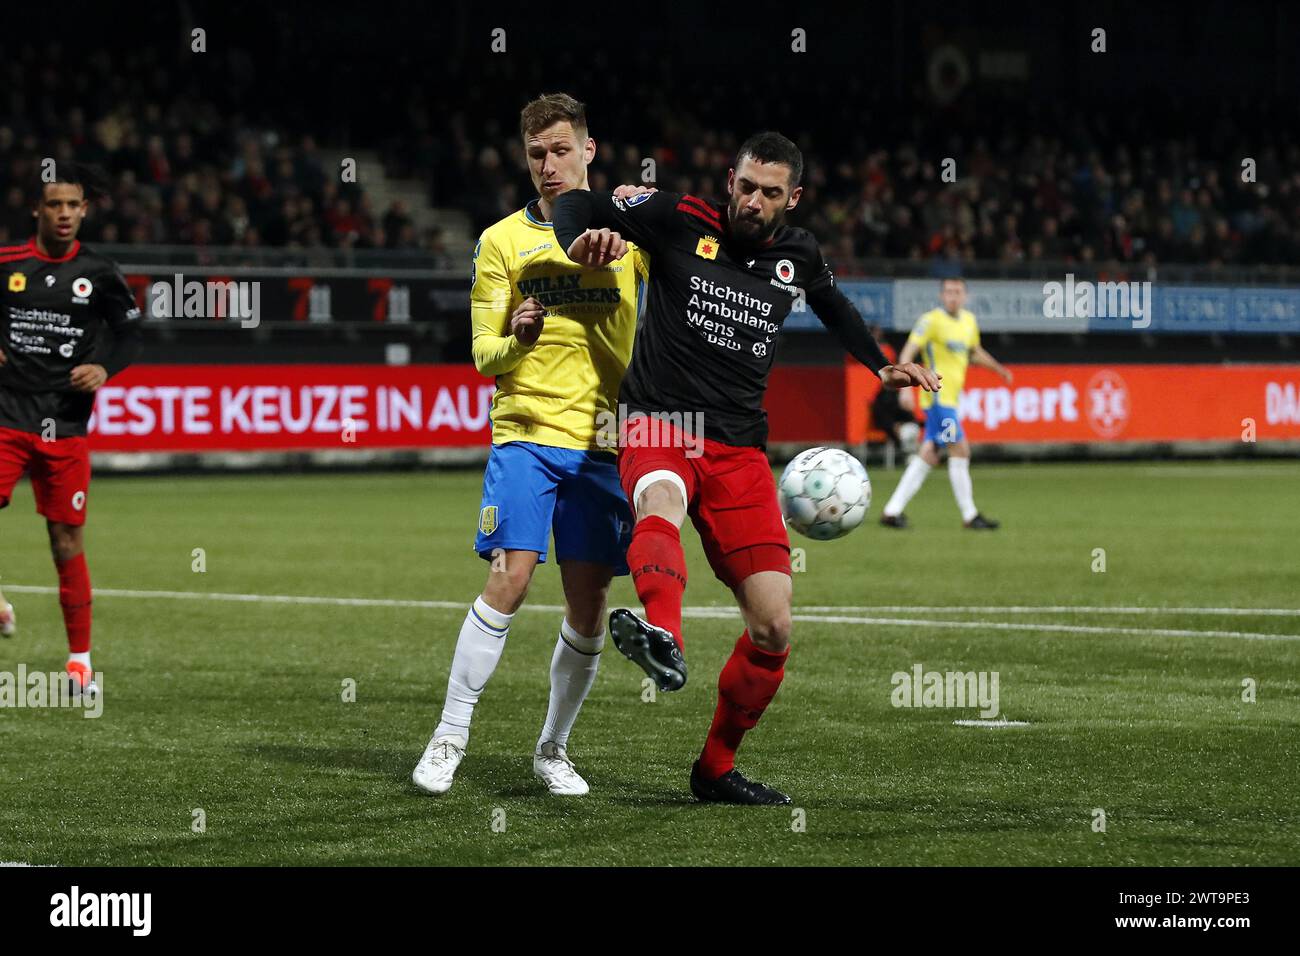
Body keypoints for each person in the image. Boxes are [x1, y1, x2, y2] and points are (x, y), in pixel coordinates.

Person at [553, 131, 940, 804]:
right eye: (745, 187)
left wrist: (880, 363)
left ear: (792, 197)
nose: (752, 202)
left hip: (738, 449)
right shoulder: (676, 218)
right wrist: (579, 241)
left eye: (769, 193)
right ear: (729, 180)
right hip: (658, 419)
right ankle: (662, 635)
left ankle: (713, 771)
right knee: (660, 499)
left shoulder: (799, 253)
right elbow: (578, 205)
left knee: (774, 625)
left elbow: (831, 304)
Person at [412, 94, 649, 796]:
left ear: (589, 149)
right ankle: (449, 735)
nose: (549, 165)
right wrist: (514, 335)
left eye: (560, 150)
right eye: (537, 154)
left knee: (587, 604)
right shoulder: (500, 242)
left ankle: (552, 750)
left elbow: (681, 279)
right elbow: (482, 354)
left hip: (604, 437)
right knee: (510, 577)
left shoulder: (632, 237)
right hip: (526, 430)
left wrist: (640, 214)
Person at [0, 165, 143, 695]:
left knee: (65, 540)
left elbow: (130, 336)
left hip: (65, 424)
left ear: (85, 210)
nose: (63, 213)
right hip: (6, 415)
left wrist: (105, 368)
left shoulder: (100, 272)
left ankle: (79, 661)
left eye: (72, 205)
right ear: (37, 210)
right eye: (54, 204)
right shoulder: (8, 263)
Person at [879, 277, 1011, 529]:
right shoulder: (930, 321)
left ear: (965, 296)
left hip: (951, 399)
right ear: (941, 296)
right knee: (960, 449)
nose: (953, 296)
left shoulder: (969, 322)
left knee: (929, 453)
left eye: (957, 292)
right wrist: (904, 388)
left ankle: (891, 511)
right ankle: (970, 515)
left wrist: (999, 369)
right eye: (948, 291)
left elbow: (974, 352)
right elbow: (907, 352)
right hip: (937, 398)